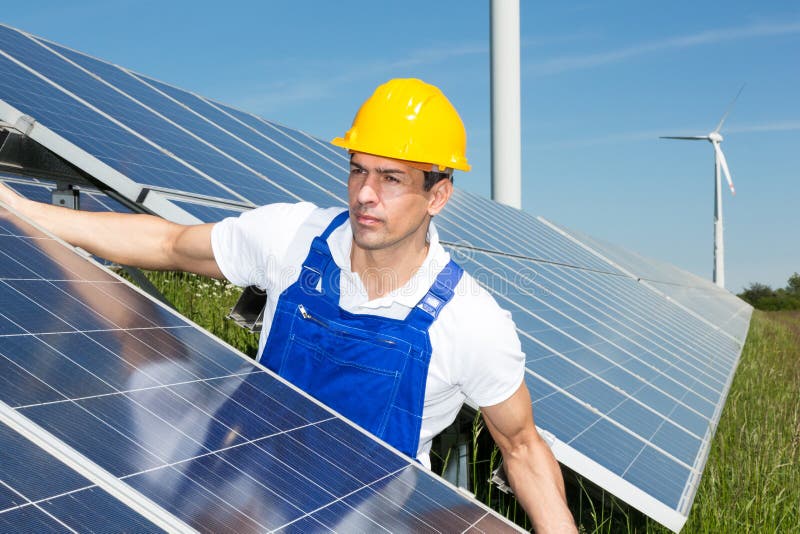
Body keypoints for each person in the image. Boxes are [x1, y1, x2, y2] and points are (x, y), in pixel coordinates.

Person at [0, 78, 576, 532]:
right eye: (358, 171)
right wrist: (26, 213)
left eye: (392, 179)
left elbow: (521, 446)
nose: (366, 194)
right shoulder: (293, 236)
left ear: (438, 195)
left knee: (481, 527)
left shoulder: (469, 323)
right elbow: (170, 244)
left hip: (358, 510)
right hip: (229, 454)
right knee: (142, 334)